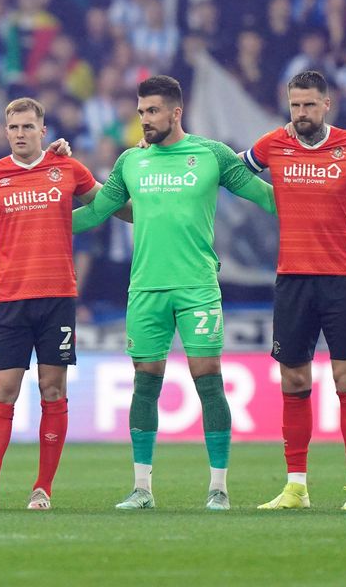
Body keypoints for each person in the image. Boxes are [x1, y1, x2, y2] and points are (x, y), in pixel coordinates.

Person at [71, 74, 276, 511]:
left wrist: (325, 209)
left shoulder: (212, 155)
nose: (144, 119)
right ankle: (142, 488)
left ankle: (218, 488)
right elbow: (92, 215)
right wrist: (32, 215)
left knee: (209, 383)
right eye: (141, 111)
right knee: (145, 385)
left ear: (176, 112)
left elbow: (267, 197)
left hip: (198, 287)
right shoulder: (130, 162)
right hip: (145, 288)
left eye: (152, 111)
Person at [241, 70, 346, 512]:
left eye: (309, 105)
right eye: (295, 105)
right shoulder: (273, 144)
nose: (301, 113)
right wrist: (163, 153)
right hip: (292, 279)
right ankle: (295, 487)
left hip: (342, 279)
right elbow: (228, 167)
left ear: (327, 104)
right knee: (293, 379)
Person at [0, 97, 103, 510]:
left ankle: (43, 489)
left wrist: (145, 188)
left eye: (27, 127)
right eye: (13, 128)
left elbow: (109, 203)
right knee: (3, 389)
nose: (20, 134)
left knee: (52, 390)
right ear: (5, 132)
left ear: (43, 129)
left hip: (57, 297)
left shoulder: (68, 168)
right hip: (11, 300)